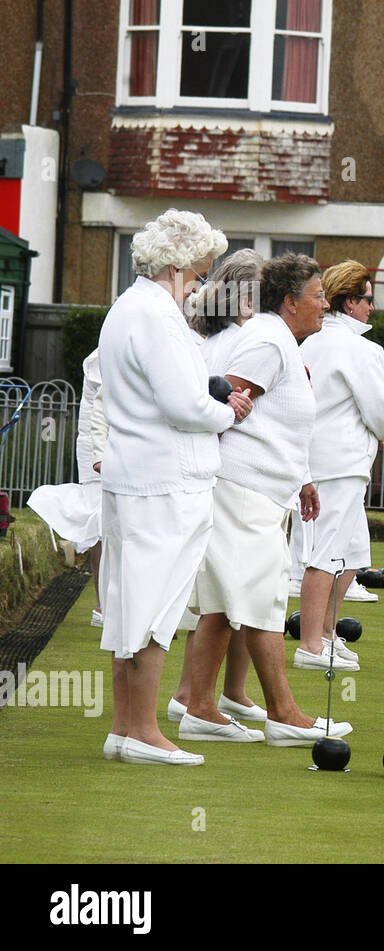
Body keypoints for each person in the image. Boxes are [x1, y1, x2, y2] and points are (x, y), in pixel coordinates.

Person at [96, 209, 253, 766]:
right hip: (164, 480)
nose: (202, 285)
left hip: (141, 475)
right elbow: (183, 404)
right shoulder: (156, 316)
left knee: (131, 600)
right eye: (200, 274)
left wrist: (207, 405)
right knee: (152, 603)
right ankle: (140, 731)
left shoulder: (127, 308)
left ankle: (125, 728)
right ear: (176, 266)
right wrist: (225, 411)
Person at [179, 253, 351, 748]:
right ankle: (284, 715)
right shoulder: (270, 342)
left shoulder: (277, 340)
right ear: (290, 301)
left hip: (253, 490)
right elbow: (220, 399)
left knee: (220, 605)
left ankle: (201, 711)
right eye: (319, 297)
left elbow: (274, 421)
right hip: (241, 492)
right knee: (261, 603)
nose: (325, 305)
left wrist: (302, 479)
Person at [168, 248, 268, 726]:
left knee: (230, 595)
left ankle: (215, 694)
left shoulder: (222, 338)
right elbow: (219, 410)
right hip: (225, 476)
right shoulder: (237, 343)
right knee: (224, 596)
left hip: (222, 474)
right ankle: (191, 697)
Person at [290, 260, 384, 671]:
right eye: (368, 299)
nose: (372, 307)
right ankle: (311, 646)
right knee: (324, 555)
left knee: (352, 552)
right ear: (351, 301)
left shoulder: (308, 342)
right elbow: (381, 415)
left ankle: (328, 634)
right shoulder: (361, 349)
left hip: (320, 463)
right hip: (339, 464)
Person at [27, 349, 109, 624]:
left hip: (116, 444)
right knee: (100, 525)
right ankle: (103, 606)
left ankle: (119, 605)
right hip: (97, 448)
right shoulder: (101, 357)